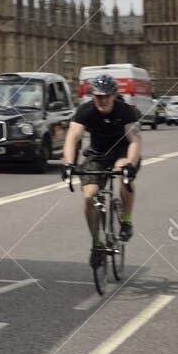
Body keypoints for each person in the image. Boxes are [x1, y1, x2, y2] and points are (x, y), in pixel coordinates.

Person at [61, 73, 142, 262]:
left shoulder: (125, 111)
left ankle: (126, 221)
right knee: (89, 196)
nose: (102, 100)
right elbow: (72, 137)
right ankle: (96, 245)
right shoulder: (85, 111)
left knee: (123, 174)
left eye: (106, 96)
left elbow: (134, 139)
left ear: (114, 95)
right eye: (97, 96)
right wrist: (68, 164)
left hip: (123, 153)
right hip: (97, 155)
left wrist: (130, 163)